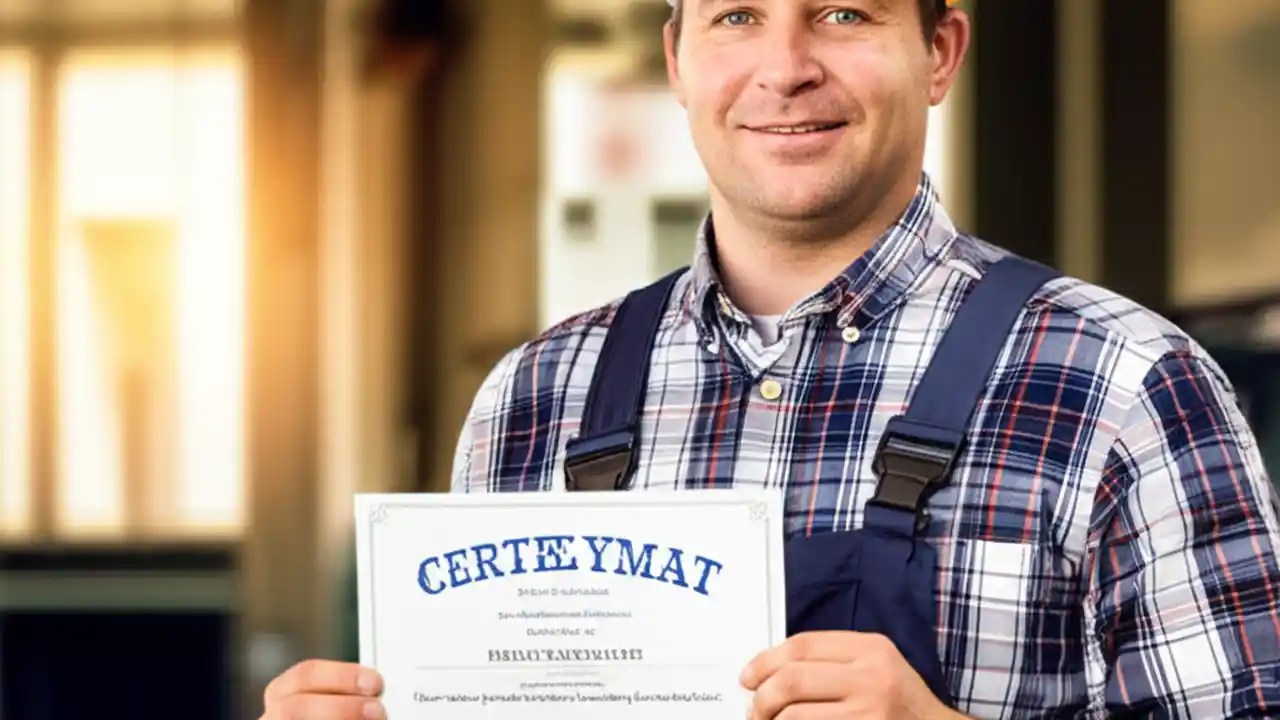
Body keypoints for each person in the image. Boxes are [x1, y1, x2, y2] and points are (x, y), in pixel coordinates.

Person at [260, 0, 1280, 718]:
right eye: (735, 16)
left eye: (842, 13)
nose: (784, 66)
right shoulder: (536, 397)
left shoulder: (1126, 384)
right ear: (675, 59)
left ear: (939, 51)